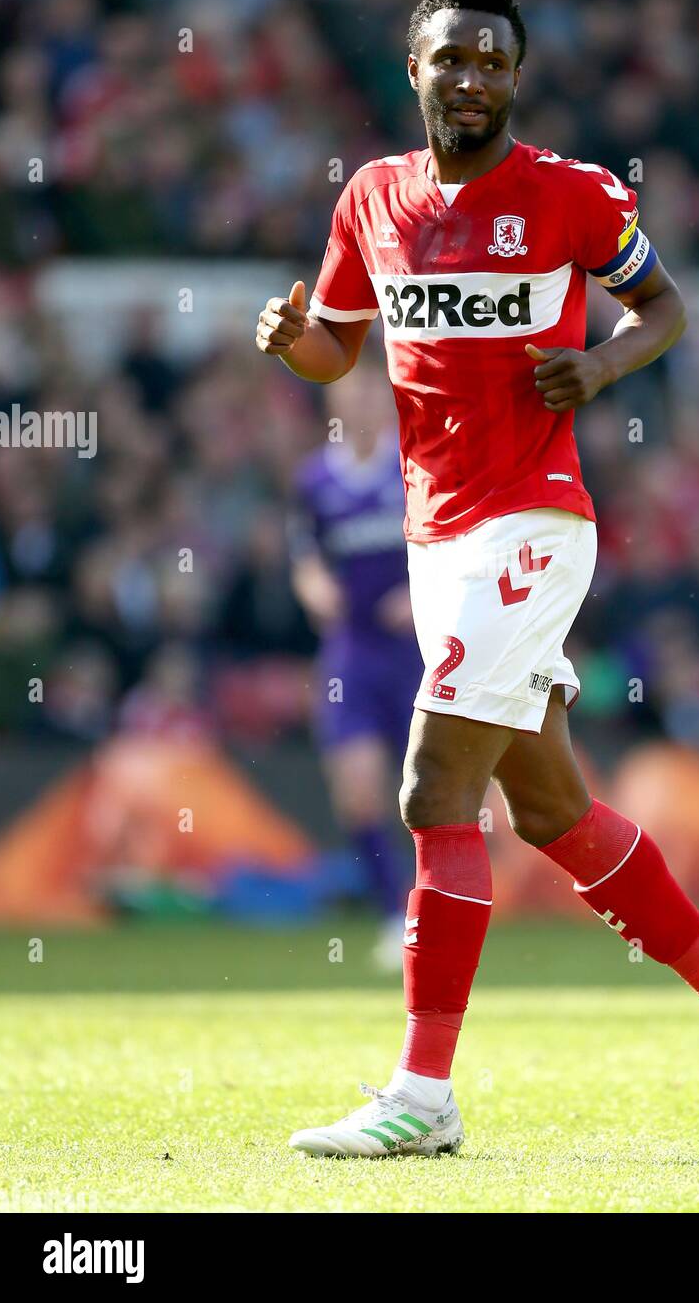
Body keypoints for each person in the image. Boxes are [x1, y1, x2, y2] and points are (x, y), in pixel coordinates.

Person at [256, 0, 699, 1157]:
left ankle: (424, 1092)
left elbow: (662, 308)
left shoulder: (568, 196)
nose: (470, 78)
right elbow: (336, 350)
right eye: (449, 57)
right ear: (416, 67)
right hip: (437, 534)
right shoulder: (372, 198)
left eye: (492, 61)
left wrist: (601, 369)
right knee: (551, 807)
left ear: (517, 76)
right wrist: (290, 339)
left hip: (533, 522)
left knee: (429, 789)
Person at [289, 366, 422, 968]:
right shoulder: (315, 479)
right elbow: (305, 555)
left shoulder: (412, 463)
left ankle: (437, 911)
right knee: (358, 793)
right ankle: (395, 916)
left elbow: (448, 539)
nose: (360, 404)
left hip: (416, 652)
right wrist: (314, 588)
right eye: (349, 395)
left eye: (371, 392)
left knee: (428, 793)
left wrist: (418, 594)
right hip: (352, 654)